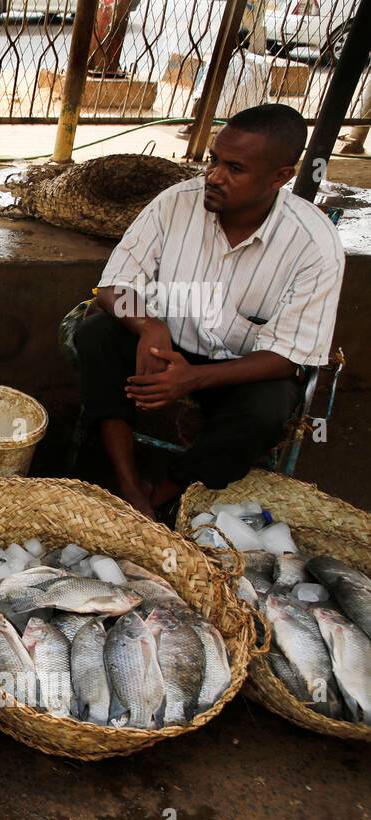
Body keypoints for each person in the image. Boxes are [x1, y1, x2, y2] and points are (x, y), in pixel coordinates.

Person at [76, 104, 344, 518]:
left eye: (235, 169)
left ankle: (166, 492)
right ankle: (129, 484)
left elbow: (288, 356)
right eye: (214, 160)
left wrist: (194, 377)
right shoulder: (175, 204)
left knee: (267, 410)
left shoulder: (314, 245)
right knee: (95, 335)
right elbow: (113, 285)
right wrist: (149, 327)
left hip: (240, 370)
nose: (214, 176)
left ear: (280, 177)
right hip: (163, 346)